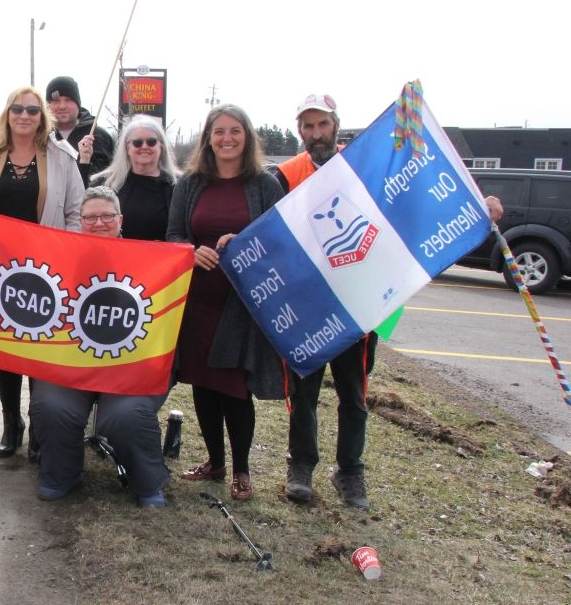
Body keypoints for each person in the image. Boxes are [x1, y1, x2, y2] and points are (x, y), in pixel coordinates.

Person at [272, 93, 504, 510]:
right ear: (299, 131)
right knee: (303, 392)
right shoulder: (285, 175)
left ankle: (350, 471)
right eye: (308, 126)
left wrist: (477, 203)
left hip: (360, 301)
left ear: (335, 125)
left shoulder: (367, 162)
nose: (316, 133)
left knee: (353, 394)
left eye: (322, 124)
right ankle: (301, 465)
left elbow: (418, 193)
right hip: (309, 305)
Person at [166, 104, 287, 501]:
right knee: (203, 382)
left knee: (234, 386)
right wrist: (189, 251)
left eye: (235, 130)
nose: (227, 138)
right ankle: (215, 462)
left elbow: (281, 240)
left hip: (242, 302)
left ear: (247, 137)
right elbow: (174, 234)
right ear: (208, 139)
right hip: (198, 300)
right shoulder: (190, 183)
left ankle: (242, 470)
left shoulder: (265, 184)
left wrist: (245, 242)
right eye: (219, 131)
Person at [27, 186, 171, 505]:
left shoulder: (150, 257)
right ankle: (61, 474)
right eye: (90, 217)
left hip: (131, 366)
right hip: (73, 363)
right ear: (79, 221)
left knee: (127, 415)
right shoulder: (61, 258)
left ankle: (147, 482)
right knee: (51, 405)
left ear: (120, 220)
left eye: (106, 216)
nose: (99, 223)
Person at [0, 86, 84, 460]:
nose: (24, 116)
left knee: (38, 346)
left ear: (41, 116)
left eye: (32, 110)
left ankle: (38, 427)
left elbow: (76, 212)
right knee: (6, 347)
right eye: (17, 109)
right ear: (7, 113)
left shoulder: (62, 156)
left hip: (48, 269)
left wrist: (65, 254)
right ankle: (11, 423)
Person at [89, 114, 177, 241]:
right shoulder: (103, 183)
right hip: (116, 253)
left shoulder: (178, 186)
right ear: (127, 148)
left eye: (151, 142)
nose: (144, 146)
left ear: (161, 146)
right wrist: (84, 163)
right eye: (137, 143)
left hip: (164, 253)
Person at [46, 75, 115, 186]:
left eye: (68, 100)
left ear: (78, 104)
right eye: (56, 101)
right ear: (48, 106)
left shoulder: (100, 137)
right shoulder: (40, 137)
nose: (62, 106)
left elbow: (111, 178)